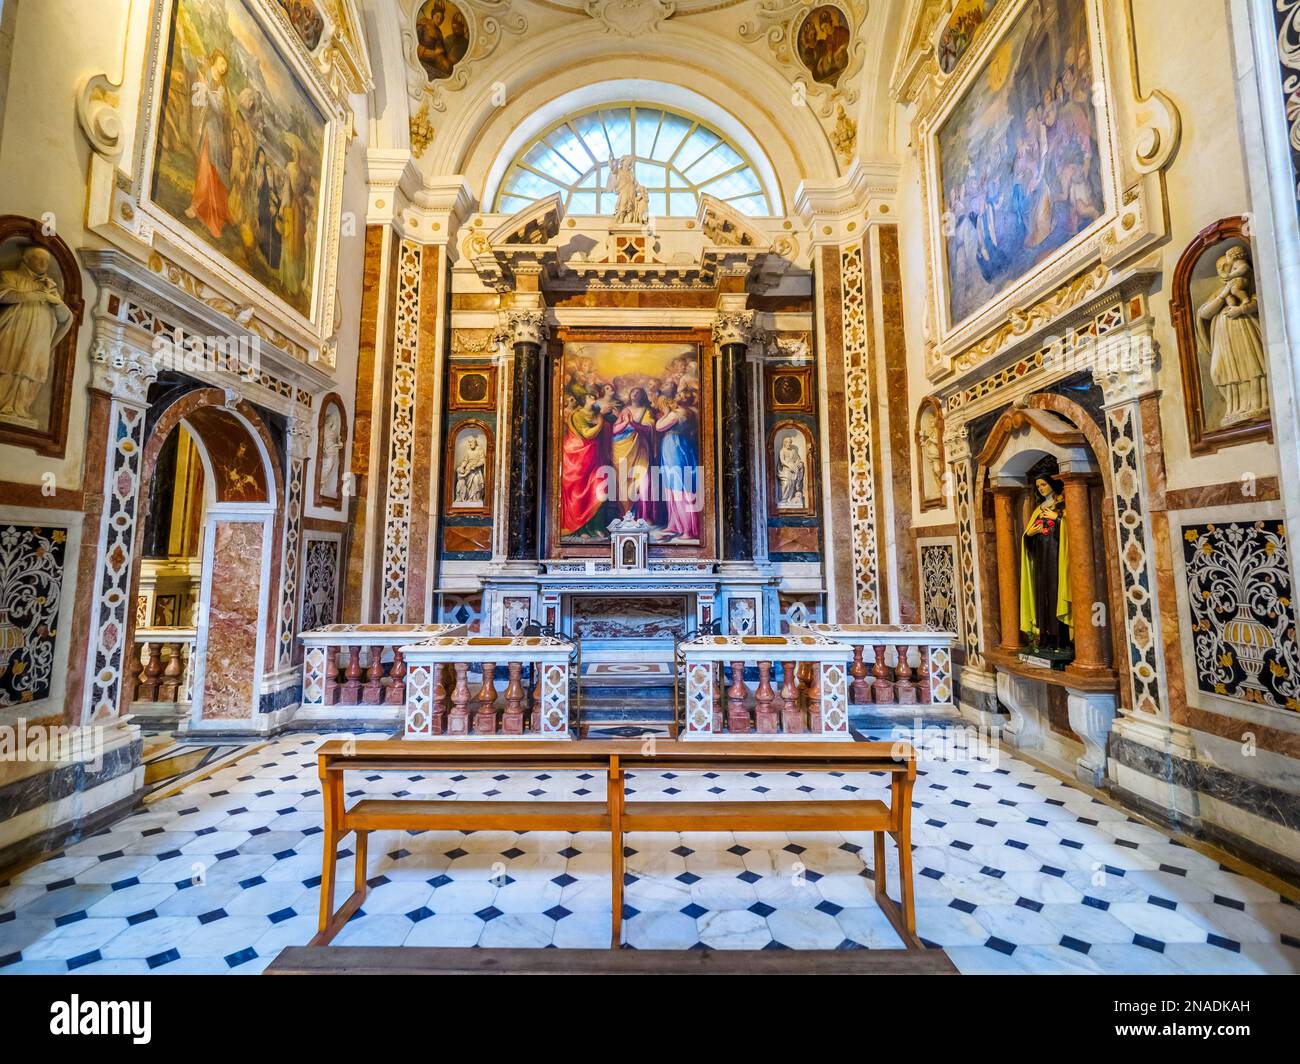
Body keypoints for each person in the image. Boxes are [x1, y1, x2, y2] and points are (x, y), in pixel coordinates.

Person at [1198, 245, 1269, 425]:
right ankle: (1234, 408)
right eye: (1218, 269)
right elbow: (1204, 314)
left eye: (1225, 266)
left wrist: (1241, 309)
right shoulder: (1220, 291)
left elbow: (1257, 301)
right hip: (1223, 339)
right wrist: (1222, 295)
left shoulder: (1244, 282)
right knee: (1220, 371)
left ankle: (1259, 403)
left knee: (1251, 365)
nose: (1222, 271)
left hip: (1245, 331)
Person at [0, 247, 72, 424]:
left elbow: (66, 318)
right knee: (9, 364)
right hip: (16, 330)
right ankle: (4, 405)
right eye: (39, 259)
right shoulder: (11, 276)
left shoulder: (51, 286)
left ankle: (21, 408)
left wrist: (56, 302)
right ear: (25, 259)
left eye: (46, 261)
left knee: (31, 371)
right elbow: (4, 295)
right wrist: (36, 295)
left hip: (39, 337)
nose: (43, 264)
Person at [1019, 473, 1072, 653]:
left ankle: (1061, 640)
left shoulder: (1061, 503)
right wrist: (1029, 535)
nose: (1041, 489)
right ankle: (1045, 638)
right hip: (1041, 560)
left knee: (1056, 593)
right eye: (1039, 486)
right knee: (1042, 595)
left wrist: (1057, 519)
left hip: (1056, 558)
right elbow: (1029, 537)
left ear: (1051, 483)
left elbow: (1072, 529)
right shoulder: (1038, 509)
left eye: (1043, 484)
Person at [185, 50, 233, 240]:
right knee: (205, 168)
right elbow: (190, 68)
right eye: (222, 63)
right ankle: (197, 205)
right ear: (214, 62)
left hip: (216, 132)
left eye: (225, 65)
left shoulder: (222, 88)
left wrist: (209, 93)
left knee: (215, 172)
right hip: (206, 129)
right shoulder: (204, 76)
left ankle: (216, 212)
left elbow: (221, 110)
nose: (224, 67)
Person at [561, 393, 612, 538]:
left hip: (594, 459)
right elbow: (588, 434)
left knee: (602, 489)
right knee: (579, 494)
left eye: (594, 396)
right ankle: (581, 528)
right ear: (584, 400)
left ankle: (597, 526)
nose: (594, 397)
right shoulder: (578, 415)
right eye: (590, 396)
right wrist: (601, 420)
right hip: (576, 460)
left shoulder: (597, 414)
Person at [655, 390, 700, 542]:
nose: (677, 397)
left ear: (684, 400)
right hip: (681, 446)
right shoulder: (692, 413)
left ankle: (687, 529)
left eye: (681, 396)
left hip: (674, 447)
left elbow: (659, 427)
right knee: (674, 487)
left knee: (678, 488)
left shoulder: (676, 414)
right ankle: (674, 524)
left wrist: (666, 412)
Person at [610, 387, 657, 522]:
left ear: (643, 396)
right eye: (633, 392)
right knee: (623, 482)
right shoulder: (625, 411)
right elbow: (615, 430)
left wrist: (633, 424)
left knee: (644, 482)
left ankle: (644, 515)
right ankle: (626, 514)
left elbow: (649, 429)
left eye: (638, 393)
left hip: (640, 448)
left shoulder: (646, 411)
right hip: (622, 449)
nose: (634, 394)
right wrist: (626, 423)